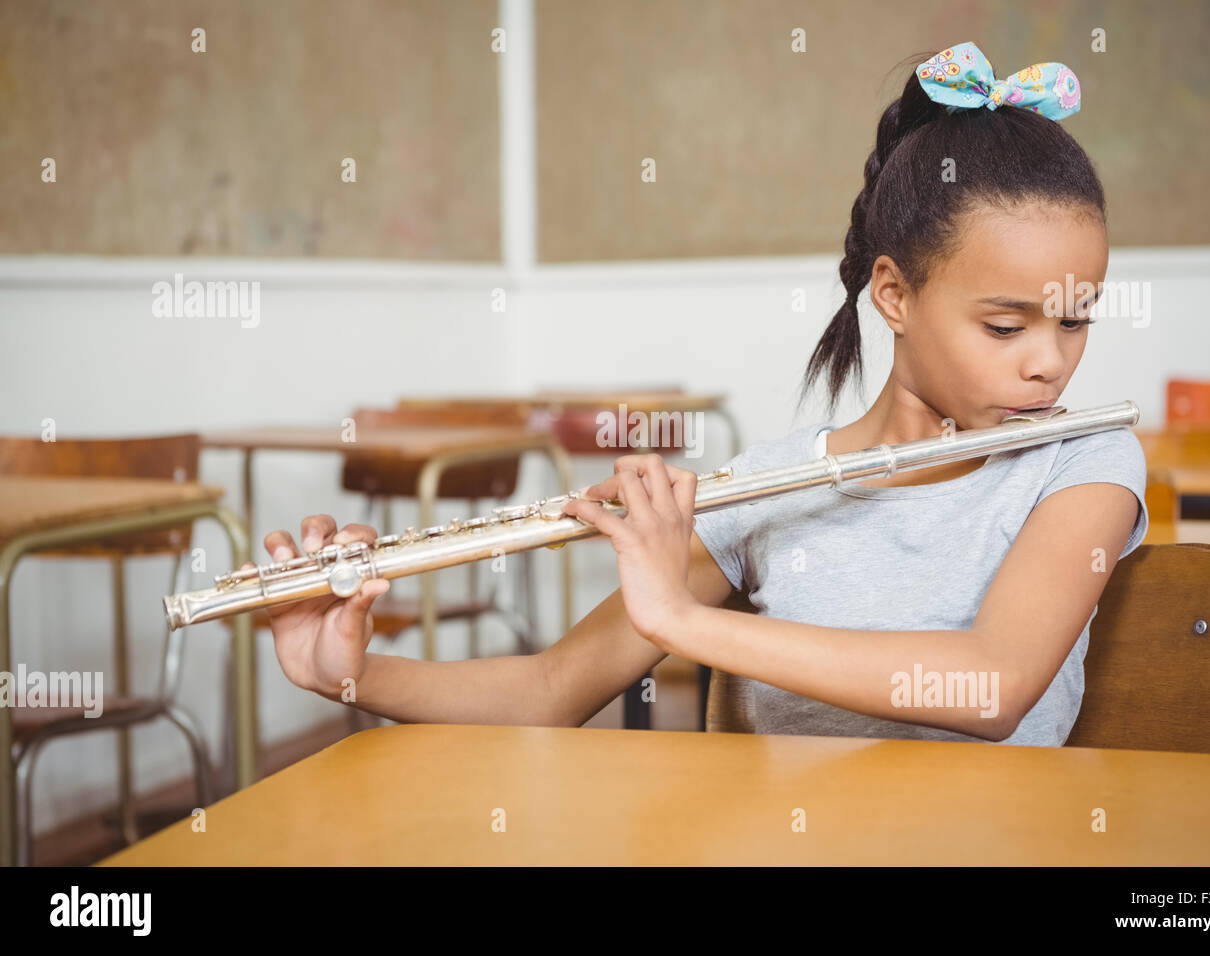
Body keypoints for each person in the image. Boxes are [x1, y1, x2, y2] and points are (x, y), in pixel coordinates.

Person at [257, 41, 1147, 745]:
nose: (1049, 363)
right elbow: (550, 692)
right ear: (894, 295)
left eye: (1075, 320)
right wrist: (348, 675)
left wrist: (684, 622)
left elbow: (990, 684)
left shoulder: (1085, 464)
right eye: (1006, 326)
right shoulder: (769, 488)